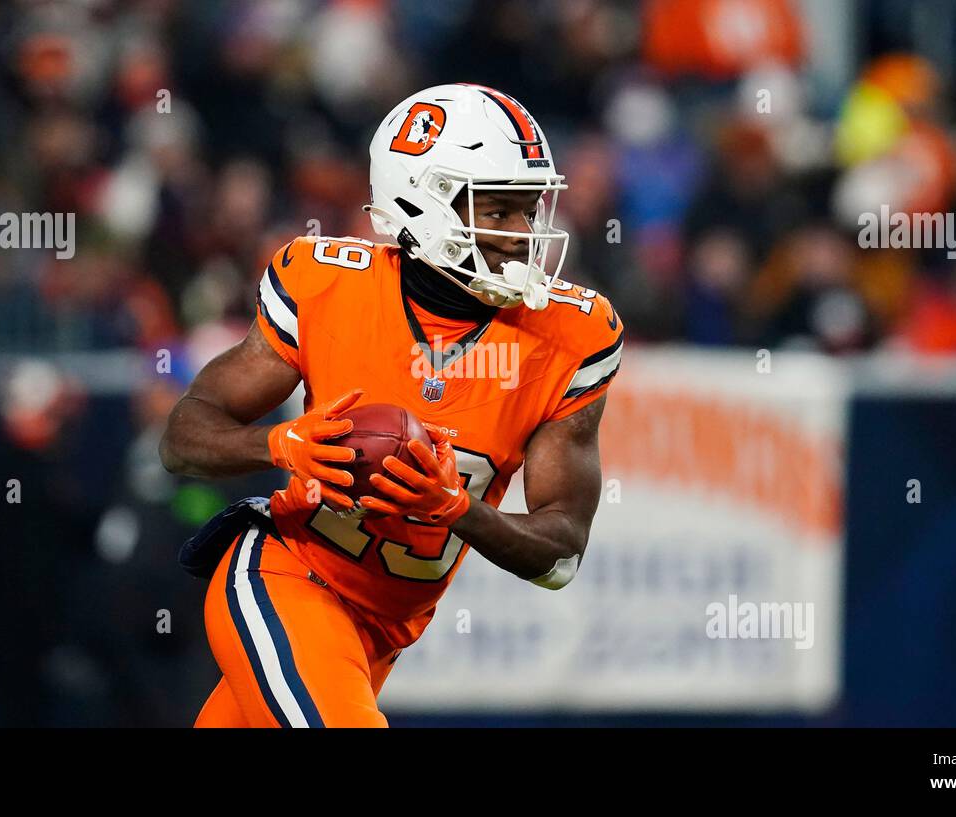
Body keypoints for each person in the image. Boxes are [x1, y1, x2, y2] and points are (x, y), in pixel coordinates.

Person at [160, 84, 624, 727]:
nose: (524, 233)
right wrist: (278, 443)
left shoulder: (570, 336)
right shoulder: (330, 286)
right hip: (287, 576)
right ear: (421, 200)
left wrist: (457, 510)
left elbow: (560, 554)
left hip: (382, 633)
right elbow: (183, 435)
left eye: (529, 208)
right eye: (497, 209)